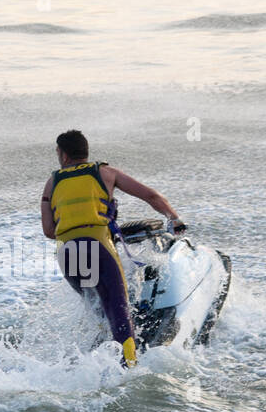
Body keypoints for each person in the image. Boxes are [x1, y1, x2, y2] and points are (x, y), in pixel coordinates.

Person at [40, 130, 185, 367]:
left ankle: (95, 361)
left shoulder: (52, 182)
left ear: (63, 155)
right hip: (98, 247)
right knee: (118, 310)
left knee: (96, 307)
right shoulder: (105, 172)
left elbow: (48, 230)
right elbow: (150, 195)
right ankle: (128, 367)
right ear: (85, 151)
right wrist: (174, 218)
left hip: (67, 253)